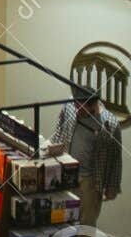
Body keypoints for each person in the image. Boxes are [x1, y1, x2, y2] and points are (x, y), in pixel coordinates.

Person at [50, 86, 123, 229]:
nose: (77, 110)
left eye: (81, 108)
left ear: (93, 105)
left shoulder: (109, 124)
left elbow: (115, 159)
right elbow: (58, 131)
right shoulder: (70, 107)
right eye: (76, 106)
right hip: (66, 174)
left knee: (86, 226)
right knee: (61, 222)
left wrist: (112, 187)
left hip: (90, 182)